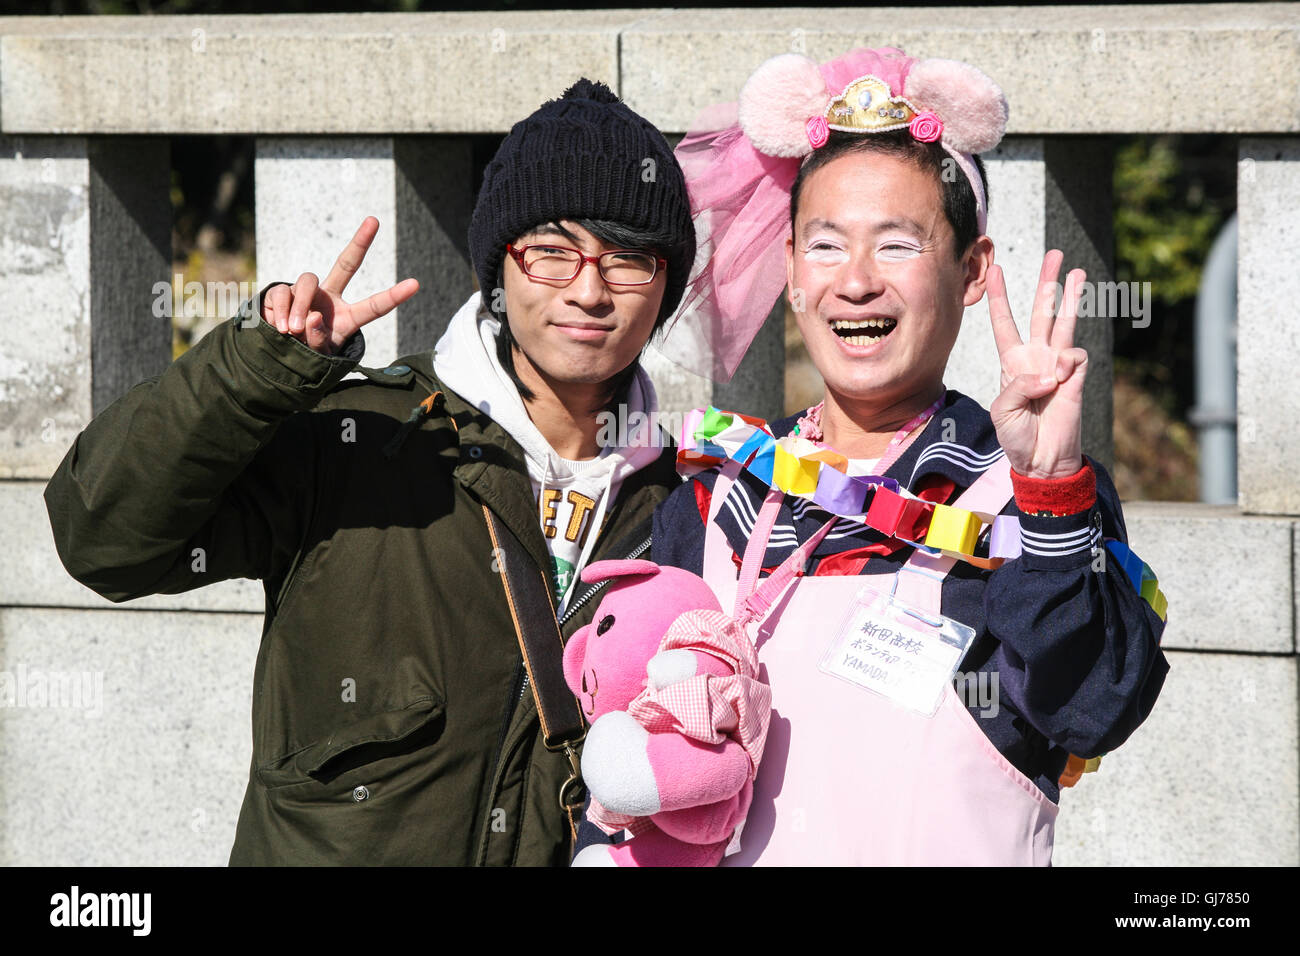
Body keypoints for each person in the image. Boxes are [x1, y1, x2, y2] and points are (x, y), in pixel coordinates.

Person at [43, 79, 696, 866]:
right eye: (552, 253)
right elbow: (101, 539)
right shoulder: (366, 439)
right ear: (499, 267)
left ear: (664, 288)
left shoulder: (687, 500)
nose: (589, 291)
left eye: (628, 260)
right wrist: (258, 368)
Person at [582, 47, 1169, 865]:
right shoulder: (717, 498)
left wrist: (1051, 491)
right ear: (789, 271)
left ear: (972, 269)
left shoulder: (1022, 497)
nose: (855, 282)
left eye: (897, 245)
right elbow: (626, 775)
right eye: (825, 246)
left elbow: (1092, 710)